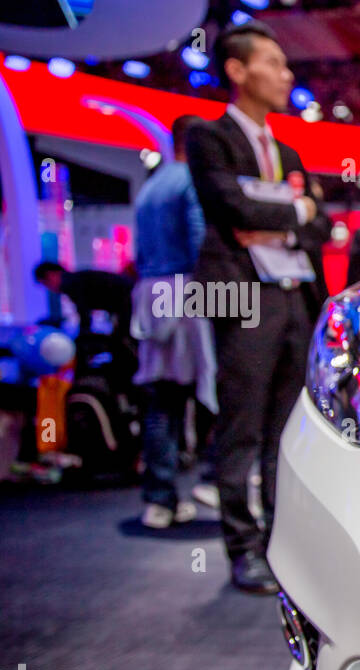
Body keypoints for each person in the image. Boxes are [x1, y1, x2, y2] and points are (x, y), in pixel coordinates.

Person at [186, 21, 331, 594]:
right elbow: (228, 204)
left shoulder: (290, 149)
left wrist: (277, 219)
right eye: (272, 61)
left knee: (285, 430)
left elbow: (319, 223)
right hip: (242, 295)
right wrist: (292, 214)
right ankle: (240, 547)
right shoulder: (208, 135)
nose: (286, 73)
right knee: (241, 426)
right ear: (238, 70)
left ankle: (279, 543)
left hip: (294, 296)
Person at [130, 113, 216, 529]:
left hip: (151, 292)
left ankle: (159, 498)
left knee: (161, 398)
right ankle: (215, 479)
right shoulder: (190, 180)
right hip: (187, 290)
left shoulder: (150, 187)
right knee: (212, 387)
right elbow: (200, 238)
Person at [33, 262, 135, 379]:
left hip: (130, 302)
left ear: (52, 275)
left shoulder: (72, 283)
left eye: (46, 284)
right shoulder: (76, 279)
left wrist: (81, 339)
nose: (50, 289)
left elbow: (84, 314)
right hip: (127, 302)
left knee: (122, 343)